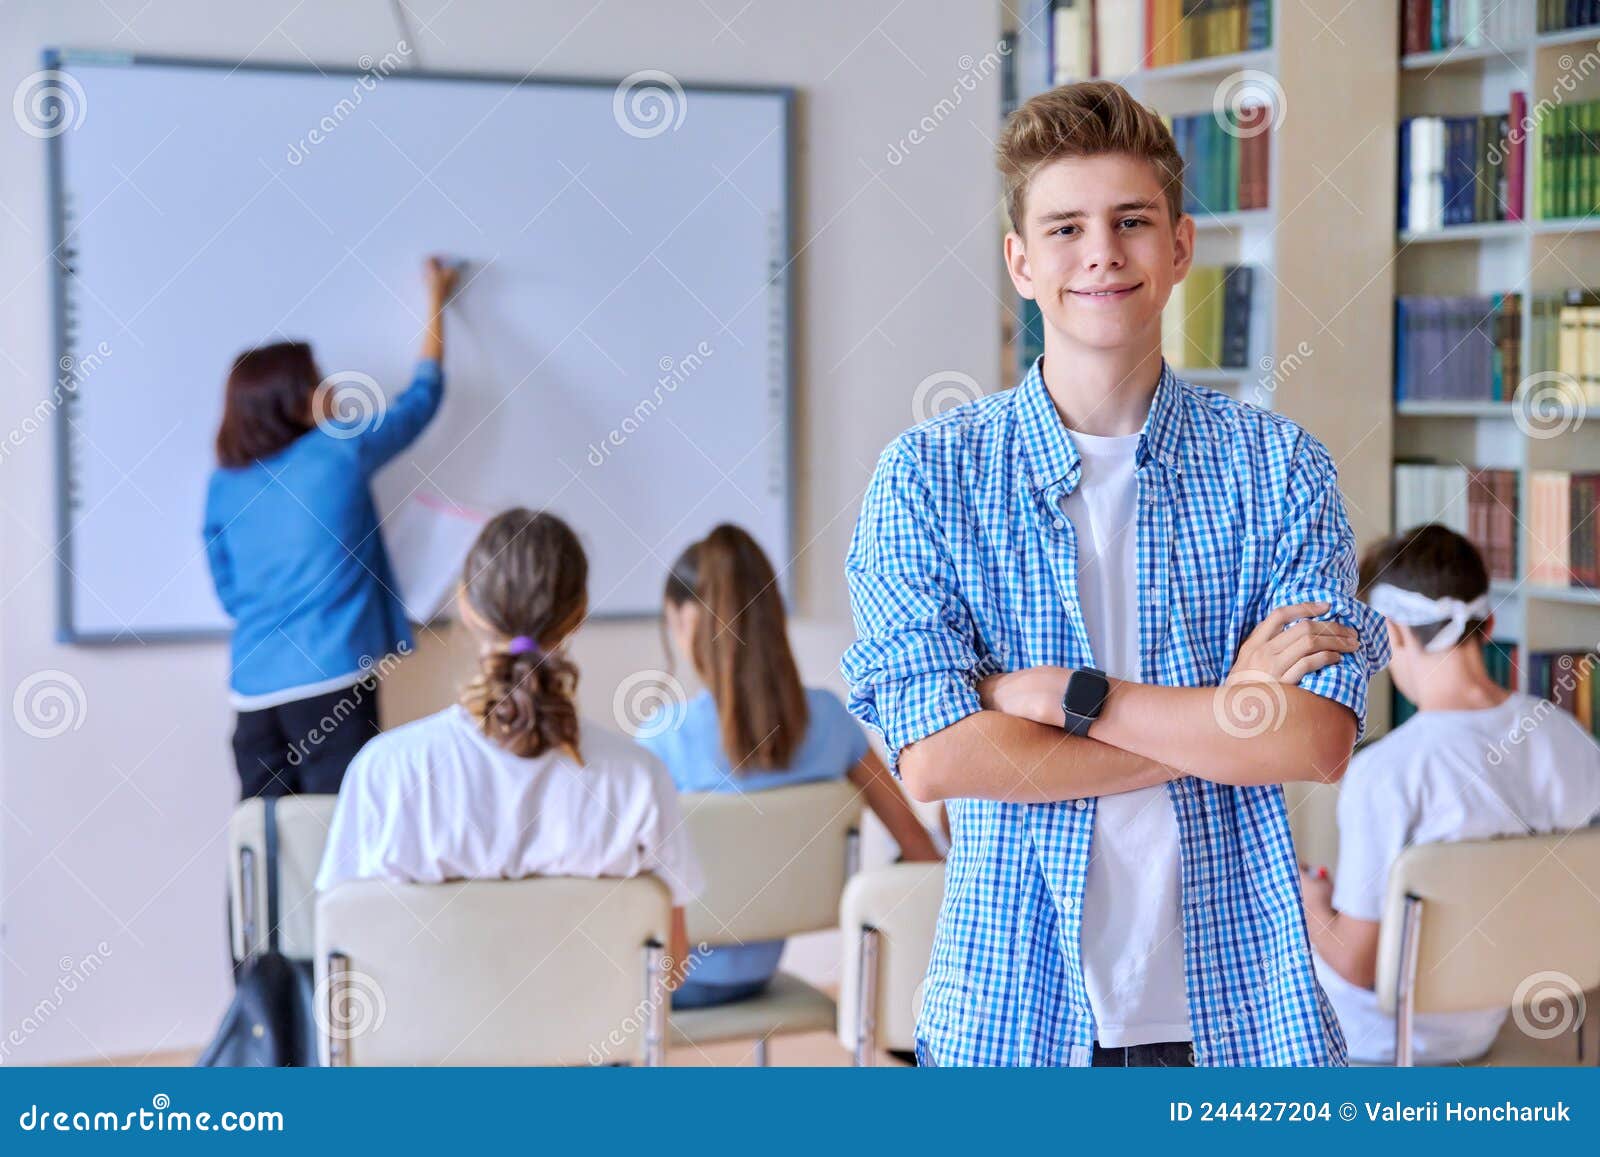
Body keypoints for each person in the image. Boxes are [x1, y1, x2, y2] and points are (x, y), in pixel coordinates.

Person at [840, 80, 1391, 1067]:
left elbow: (1310, 738)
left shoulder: (1280, 468)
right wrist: (1225, 717)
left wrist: (1066, 698)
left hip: (1241, 1017)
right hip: (1013, 1013)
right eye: (1064, 227)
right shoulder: (927, 476)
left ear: (1179, 246)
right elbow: (935, 760)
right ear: (1020, 261)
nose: (1099, 251)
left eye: (1130, 221)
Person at [315, 508, 704, 971]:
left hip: (428, 1042)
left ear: (466, 606)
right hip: (586, 1042)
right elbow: (671, 965)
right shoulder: (637, 778)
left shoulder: (387, 770)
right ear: (577, 616)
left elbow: (339, 958)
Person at [1303, 524, 1600, 1064]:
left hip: (1369, 1037)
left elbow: (1360, 965)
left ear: (1390, 633)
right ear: (1487, 624)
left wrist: (1309, 902)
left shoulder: (1387, 771)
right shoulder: (1572, 742)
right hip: (1486, 1021)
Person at [639, 524, 941, 1012]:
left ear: (684, 620)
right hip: (762, 975)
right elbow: (919, 848)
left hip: (671, 986)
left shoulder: (662, 737)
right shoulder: (830, 721)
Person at [204, 257, 459, 798]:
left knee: (265, 846)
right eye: (317, 381)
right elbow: (421, 400)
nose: (331, 388)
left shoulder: (226, 483)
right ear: (291, 401)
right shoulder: (340, 448)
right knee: (339, 846)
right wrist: (437, 299)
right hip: (333, 685)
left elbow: (229, 594)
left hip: (253, 693)